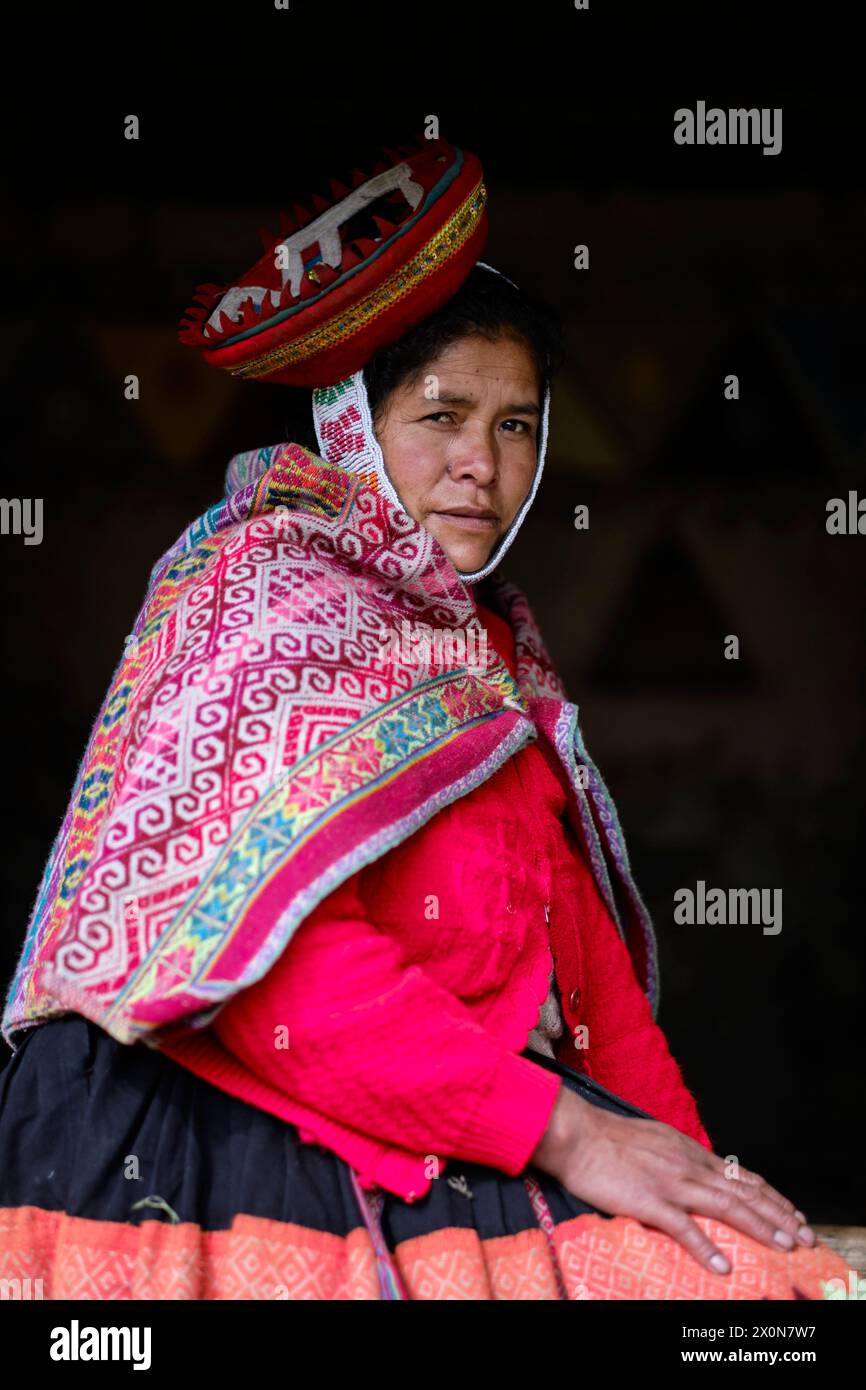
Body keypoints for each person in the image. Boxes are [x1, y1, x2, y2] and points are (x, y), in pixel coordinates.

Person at [0, 137, 855, 1301]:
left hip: (465, 1108)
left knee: (768, 1290)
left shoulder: (488, 654)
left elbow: (585, 975)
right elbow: (269, 974)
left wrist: (693, 1173)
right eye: (440, 415)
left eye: (514, 425)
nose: (478, 466)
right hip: (219, 1133)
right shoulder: (261, 603)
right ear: (351, 424)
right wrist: (570, 1132)